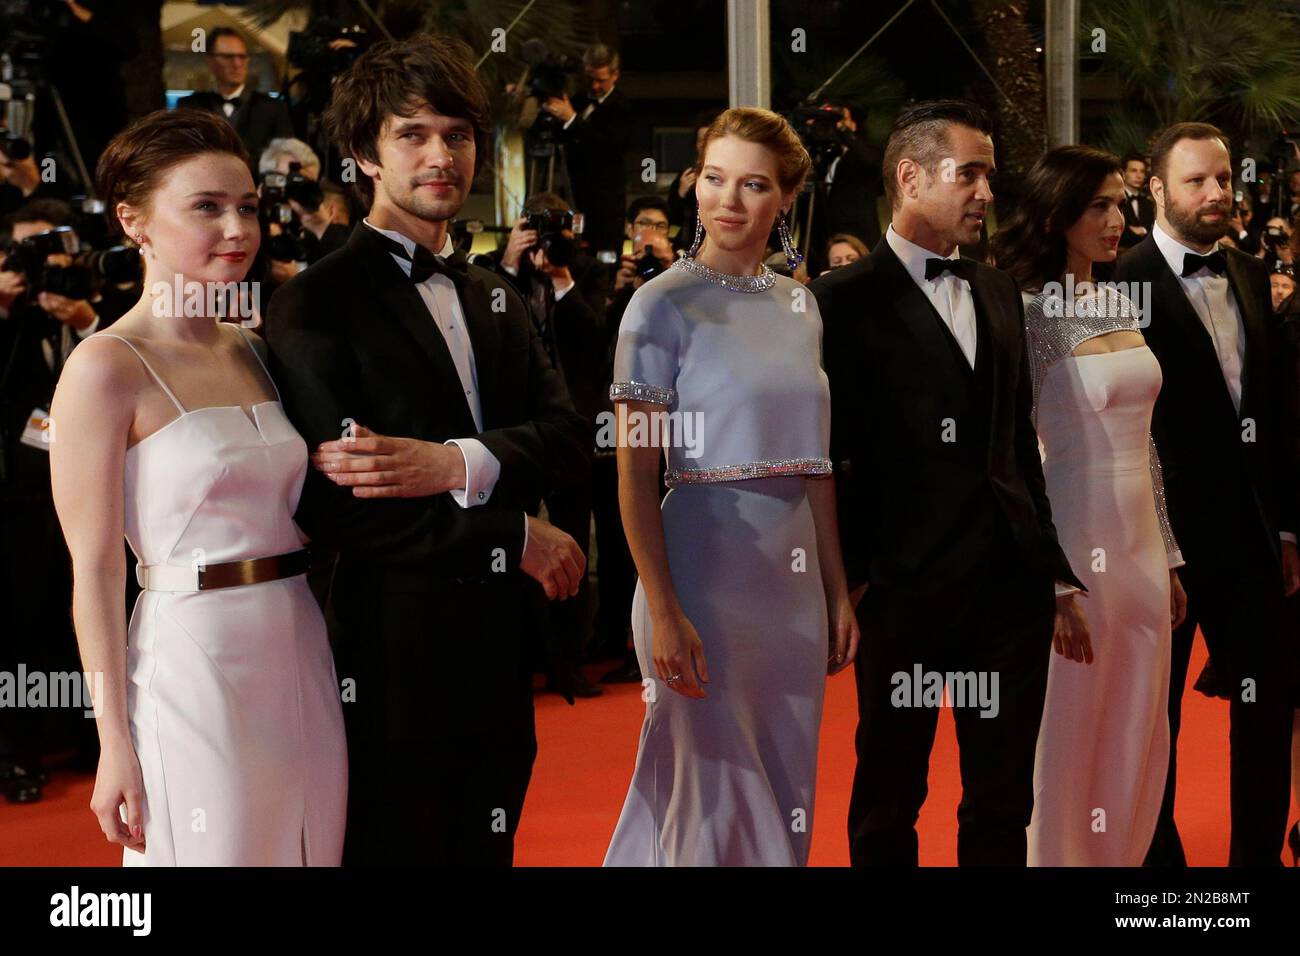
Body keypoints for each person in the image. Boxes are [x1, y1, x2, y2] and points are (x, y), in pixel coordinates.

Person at [263, 35, 590, 867]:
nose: (441, 155)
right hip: (388, 647)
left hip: (504, 641)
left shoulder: (497, 293)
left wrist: (454, 463)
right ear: (364, 154)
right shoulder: (314, 303)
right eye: (413, 134)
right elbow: (336, 506)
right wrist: (512, 535)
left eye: (457, 134)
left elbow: (565, 438)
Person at [46, 108, 346, 865]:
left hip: (299, 638)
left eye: (246, 206)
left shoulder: (256, 348)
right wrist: (112, 738)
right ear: (135, 221)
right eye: (206, 208)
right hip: (191, 654)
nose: (236, 228)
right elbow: (93, 570)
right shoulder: (105, 367)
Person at [811, 100, 1087, 867]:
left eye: (987, 176)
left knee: (1002, 800)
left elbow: (1016, 440)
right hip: (904, 596)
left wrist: (1048, 563)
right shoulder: (840, 300)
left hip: (1009, 594)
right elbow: (827, 457)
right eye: (968, 174)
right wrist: (854, 582)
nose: (986, 192)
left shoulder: (998, 290)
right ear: (909, 177)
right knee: (890, 796)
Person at [603, 107, 859, 866]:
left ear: (785, 199)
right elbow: (635, 473)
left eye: (753, 185)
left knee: (788, 783)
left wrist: (839, 593)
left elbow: (816, 465)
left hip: (793, 588)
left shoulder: (800, 305)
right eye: (715, 178)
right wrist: (663, 606)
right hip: (700, 575)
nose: (728, 200)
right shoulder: (657, 307)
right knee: (706, 787)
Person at [990, 145, 1188, 865]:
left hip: (1140, 553)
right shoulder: (1027, 313)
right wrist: (1052, 578)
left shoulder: (1114, 301)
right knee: (1069, 731)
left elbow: (1149, 448)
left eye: (1121, 204)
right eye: (1100, 205)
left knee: (1140, 731)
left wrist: (1166, 557)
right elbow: (1014, 456)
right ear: (1058, 211)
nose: (1117, 219)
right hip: (1075, 546)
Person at [1114, 121, 1300, 866]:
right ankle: (1165, 876)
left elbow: (1279, 412)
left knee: (1266, 713)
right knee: (1154, 724)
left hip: (1254, 543)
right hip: (1164, 548)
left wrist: (1288, 531)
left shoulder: (1251, 273)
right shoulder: (1114, 283)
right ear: (1156, 188)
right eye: (1197, 180)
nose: (1218, 193)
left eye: (1224, 178)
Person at [540, 44, 631, 259]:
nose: (595, 85)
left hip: (604, 211)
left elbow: (609, 149)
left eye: (601, 80)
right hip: (571, 199)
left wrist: (571, 119)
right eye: (590, 78)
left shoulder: (623, 107)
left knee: (601, 268)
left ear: (615, 75)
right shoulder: (578, 100)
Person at [178, 27, 294, 167]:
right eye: (228, 57)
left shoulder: (273, 107)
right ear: (210, 62)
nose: (237, 64)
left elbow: (286, 157)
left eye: (242, 57)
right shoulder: (190, 107)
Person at [1119, 151, 1155, 251]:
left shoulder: (1149, 203)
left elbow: (1151, 235)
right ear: (1123, 173)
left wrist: (1132, 230)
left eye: (1142, 171)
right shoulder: (1115, 200)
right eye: (1134, 171)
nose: (1139, 176)